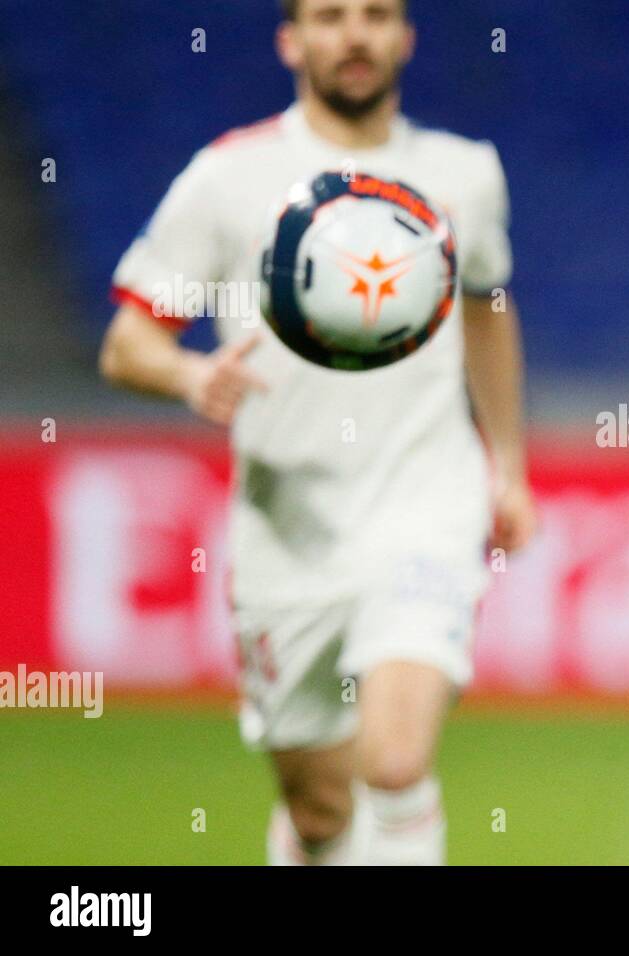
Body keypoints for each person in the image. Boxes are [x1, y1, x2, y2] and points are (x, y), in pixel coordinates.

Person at [99, 0, 535, 865]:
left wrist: (508, 467)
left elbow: (488, 309)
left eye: (376, 14)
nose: (356, 34)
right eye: (330, 15)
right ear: (291, 40)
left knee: (395, 759)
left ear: (405, 38)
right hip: (284, 529)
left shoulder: (464, 174)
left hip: (425, 498)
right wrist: (192, 375)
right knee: (322, 810)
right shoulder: (229, 178)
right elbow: (126, 343)